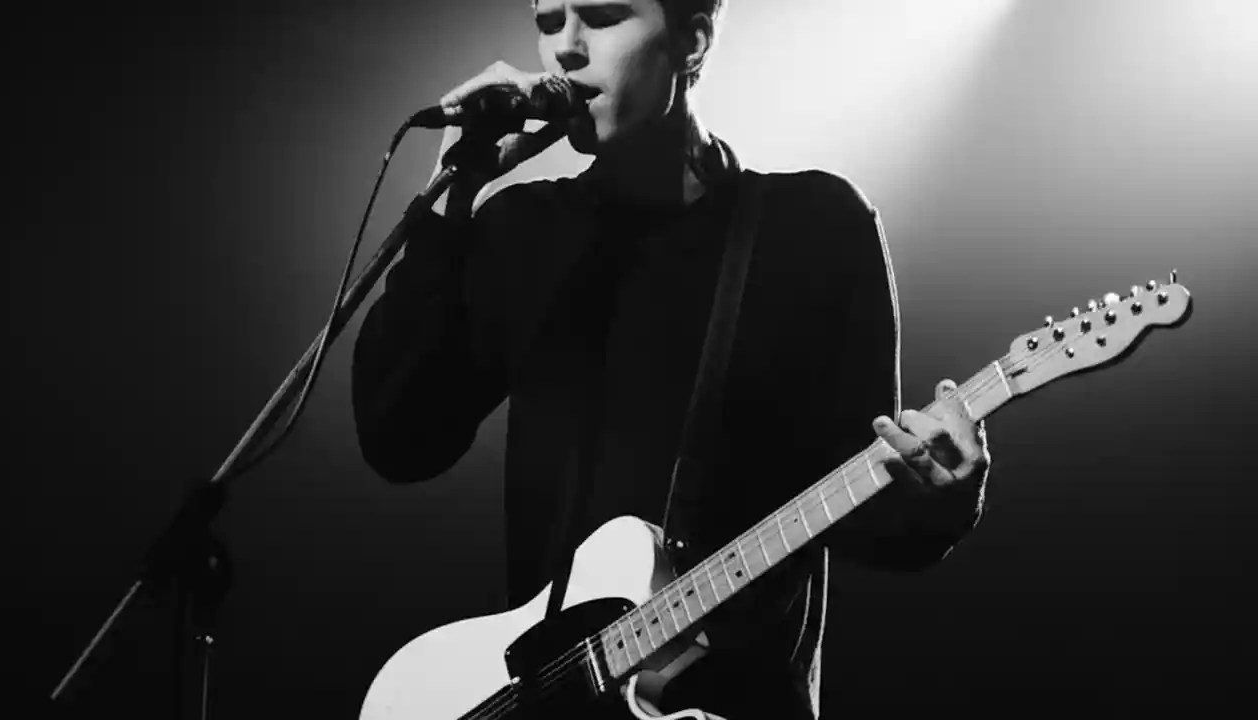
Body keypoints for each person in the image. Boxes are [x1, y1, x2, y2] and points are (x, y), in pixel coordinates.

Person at [351, 1, 990, 718]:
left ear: (694, 40)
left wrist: (945, 500)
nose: (565, 48)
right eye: (548, 20)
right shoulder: (523, 229)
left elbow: (867, 514)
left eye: (601, 15)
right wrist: (451, 198)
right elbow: (398, 438)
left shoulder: (815, 228)